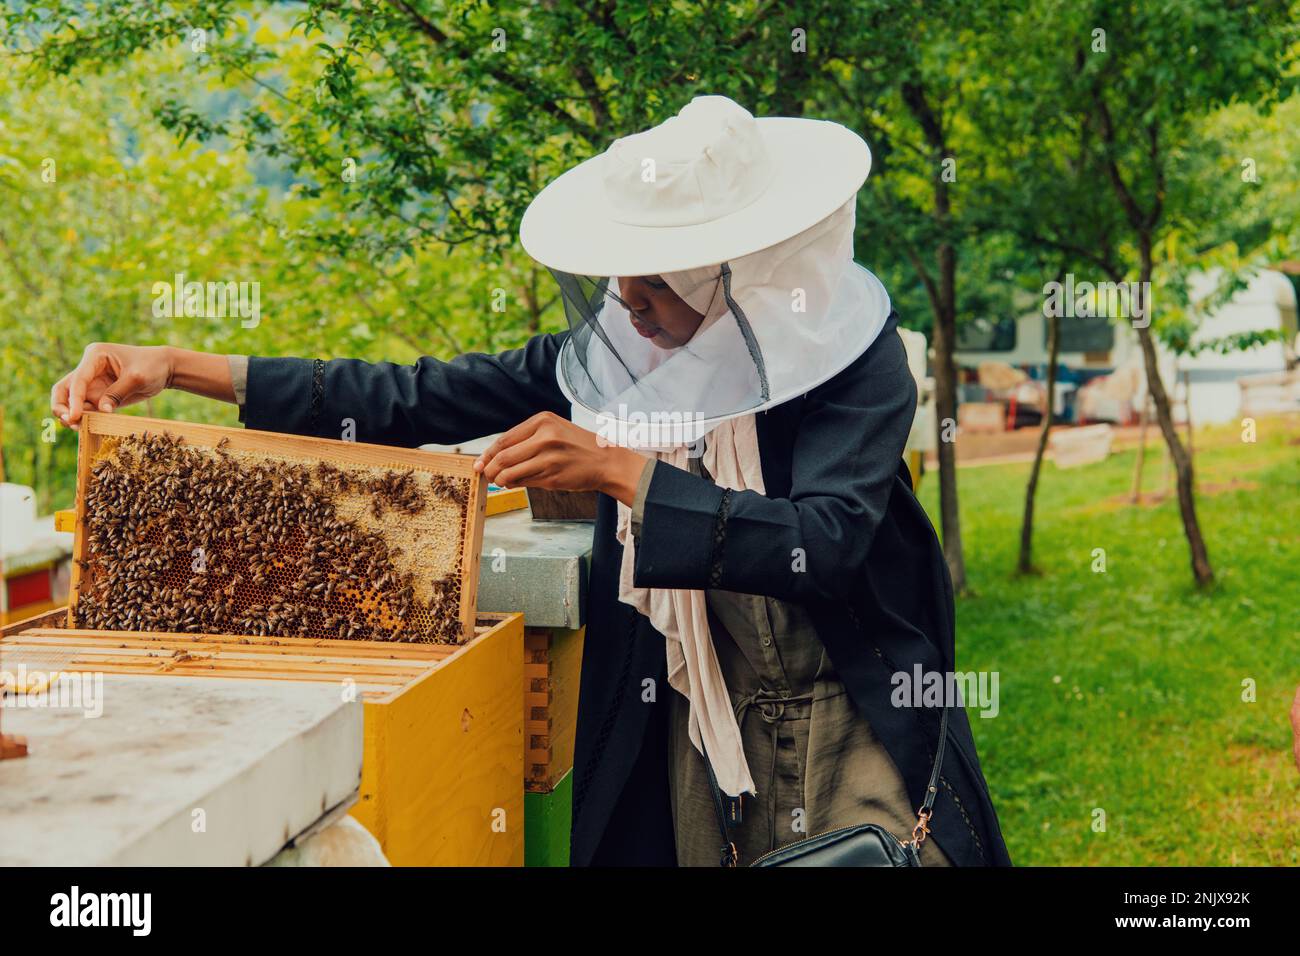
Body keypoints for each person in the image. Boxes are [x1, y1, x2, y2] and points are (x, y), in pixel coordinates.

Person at [51, 95, 1010, 867]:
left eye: (653, 290)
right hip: (693, 722)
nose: (625, 312)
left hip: (848, 709)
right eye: (618, 288)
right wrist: (178, 365)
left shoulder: (855, 360)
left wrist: (623, 472)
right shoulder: (625, 352)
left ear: (738, 277)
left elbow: (825, 542)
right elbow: (417, 394)